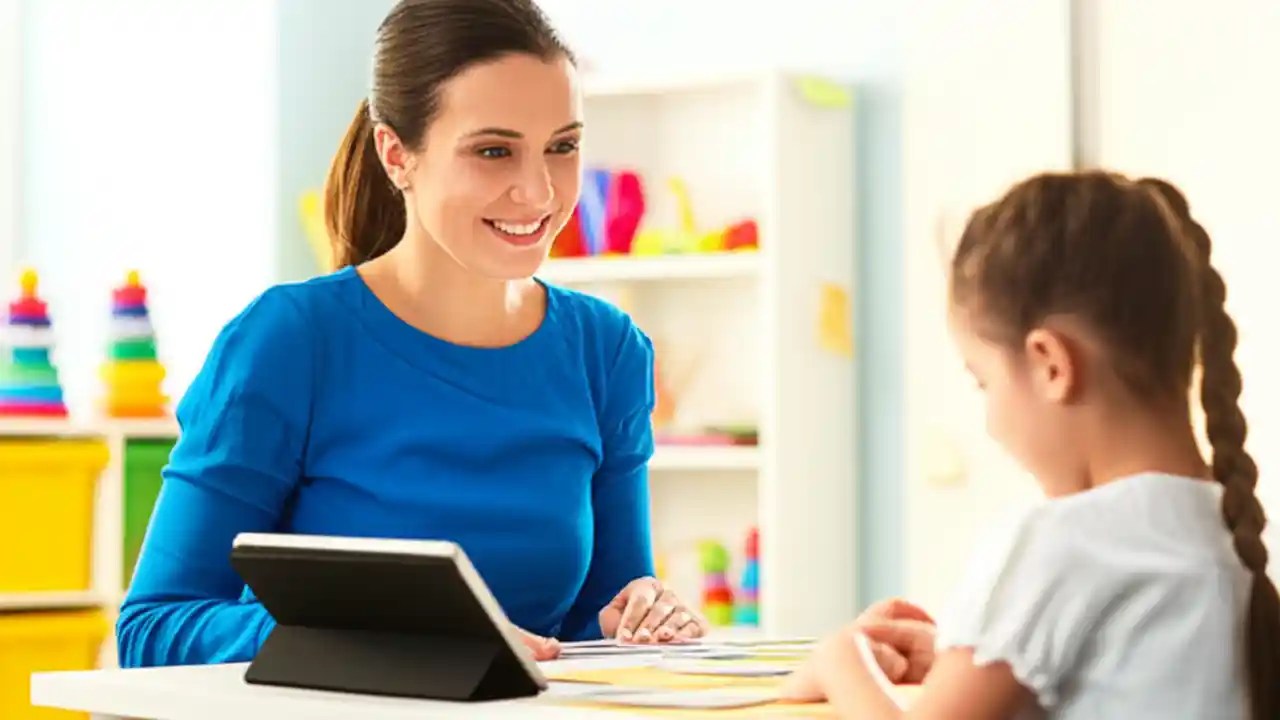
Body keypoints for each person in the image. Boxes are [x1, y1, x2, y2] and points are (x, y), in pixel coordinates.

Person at [116, 0, 706, 668]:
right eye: (493, 151)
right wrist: (387, 639)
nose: (539, 192)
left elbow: (592, 625)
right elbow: (152, 630)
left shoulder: (607, 351)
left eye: (562, 147)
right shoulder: (291, 342)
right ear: (396, 154)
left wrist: (643, 619)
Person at [781, 171, 1280, 718]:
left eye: (983, 381)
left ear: (1051, 365)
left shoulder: (1065, 541)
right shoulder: (1222, 532)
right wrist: (980, 657)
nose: (991, 422)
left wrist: (841, 662)